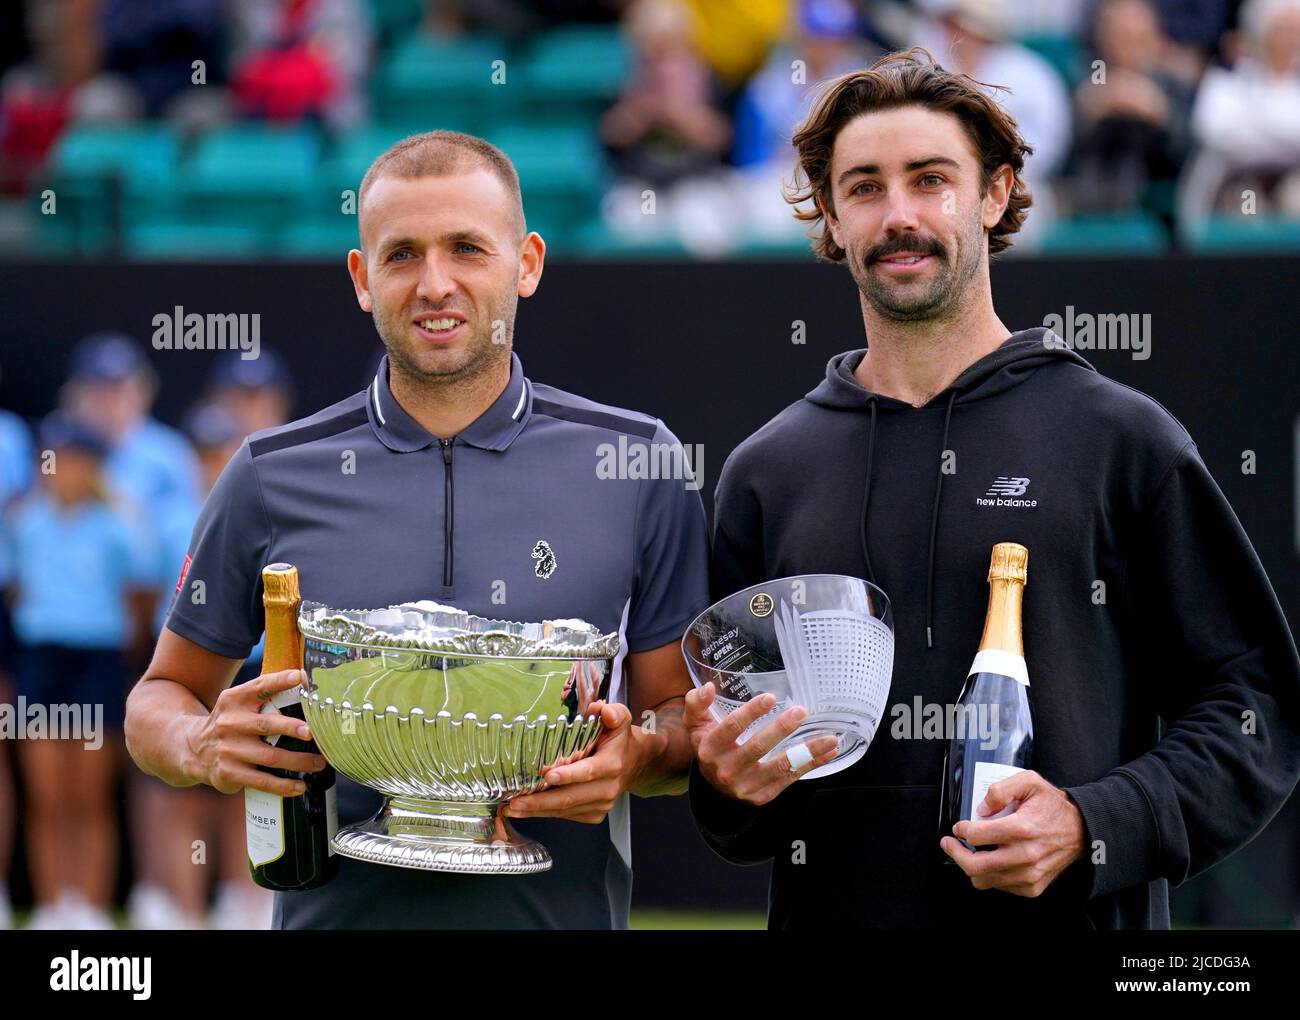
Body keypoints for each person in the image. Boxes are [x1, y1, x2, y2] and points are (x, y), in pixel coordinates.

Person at [683, 49, 1300, 930]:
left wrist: (1095, 823)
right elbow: (744, 809)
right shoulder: (766, 473)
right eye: (863, 187)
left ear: (995, 194)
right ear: (828, 213)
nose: (898, 216)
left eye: (929, 180)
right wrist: (731, 786)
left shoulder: (1120, 439)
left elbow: (1256, 710)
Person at [124, 130, 710, 929]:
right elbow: (158, 699)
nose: (436, 284)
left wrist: (640, 753)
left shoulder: (639, 462)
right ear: (363, 279)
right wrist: (198, 745)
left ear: (527, 263)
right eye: (402, 255)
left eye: (467, 248)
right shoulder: (269, 472)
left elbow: (679, 724)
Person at [8, 412, 155, 929]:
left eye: (78, 462)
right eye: (58, 461)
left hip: (95, 662)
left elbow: (140, 598)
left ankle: (88, 908)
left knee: (90, 797)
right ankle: (53, 906)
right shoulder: (24, 523)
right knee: (47, 796)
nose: (65, 471)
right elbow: (14, 588)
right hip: (43, 661)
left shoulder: (118, 526)